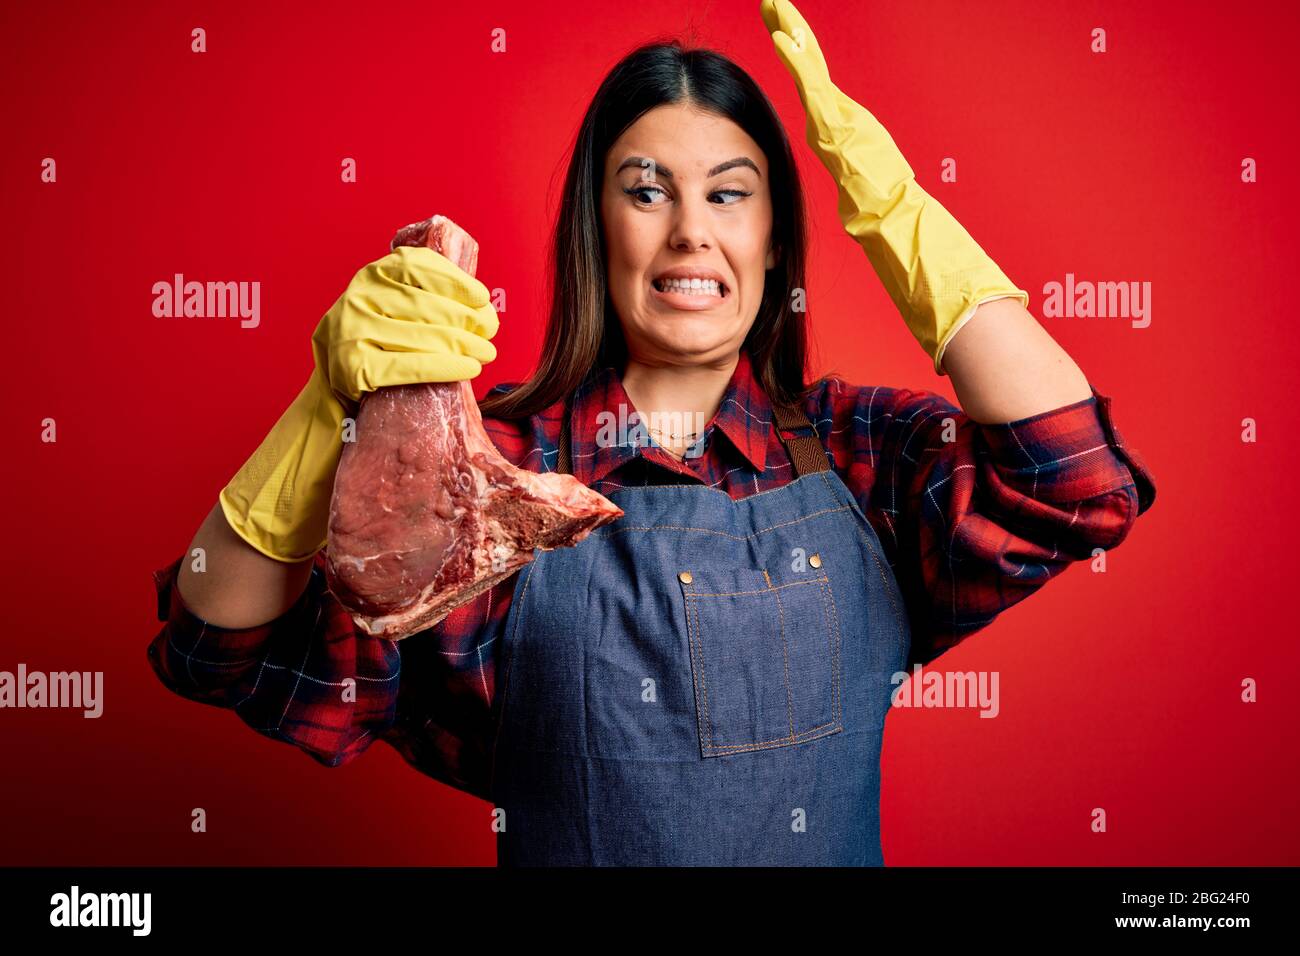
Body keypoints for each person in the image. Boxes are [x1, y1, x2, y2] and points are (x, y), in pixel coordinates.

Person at [147, 0, 1156, 865]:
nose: (689, 231)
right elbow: (217, 650)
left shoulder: (861, 452)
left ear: (772, 237)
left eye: (729, 193)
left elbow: (1074, 481)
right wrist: (335, 407)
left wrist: (894, 210)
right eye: (645, 191)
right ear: (597, 224)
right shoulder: (485, 470)